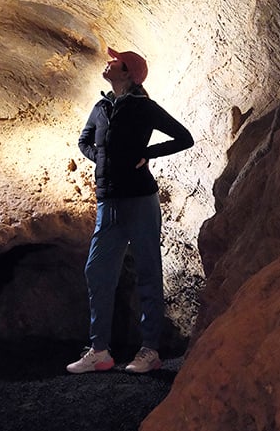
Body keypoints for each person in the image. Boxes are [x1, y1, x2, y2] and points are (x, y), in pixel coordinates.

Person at [67, 46, 194, 375]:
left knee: (149, 273)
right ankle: (100, 351)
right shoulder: (101, 106)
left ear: (128, 73)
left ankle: (150, 351)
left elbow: (184, 137)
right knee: (97, 272)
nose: (108, 63)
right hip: (107, 202)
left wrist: (147, 152)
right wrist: (104, 160)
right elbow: (84, 142)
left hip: (139, 201)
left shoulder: (143, 107)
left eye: (115, 61)